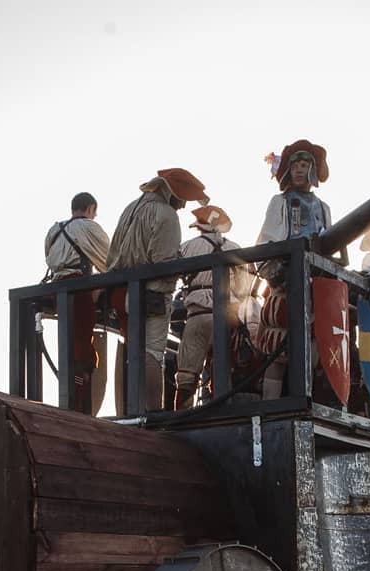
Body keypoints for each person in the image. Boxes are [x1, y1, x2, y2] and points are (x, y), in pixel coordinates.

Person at [107, 168, 208, 412]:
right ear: (172, 193)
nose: (183, 206)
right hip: (151, 294)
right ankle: (153, 415)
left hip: (121, 291)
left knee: (135, 352)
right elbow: (163, 262)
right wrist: (182, 264)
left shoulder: (130, 208)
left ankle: (134, 412)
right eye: (182, 198)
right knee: (152, 354)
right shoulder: (166, 214)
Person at [254, 140, 332, 400]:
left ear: (312, 170)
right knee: (277, 352)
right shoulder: (280, 202)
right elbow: (265, 243)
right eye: (295, 165)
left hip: (314, 289)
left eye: (304, 165)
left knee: (310, 351)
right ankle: (270, 405)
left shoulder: (323, 208)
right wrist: (276, 273)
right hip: (284, 287)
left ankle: (305, 402)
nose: (299, 170)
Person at [173, 205, 252, 410]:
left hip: (197, 315)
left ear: (200, 226)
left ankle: (182, 417)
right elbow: (244, 288)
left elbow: (171, 275)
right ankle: (221, 414)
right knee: (222, 370)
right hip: (227, 316)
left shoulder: (187, 247)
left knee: (187, 375)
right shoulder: (235, 248)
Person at [43, 192, 110, 414]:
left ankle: (73, 397)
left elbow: (49, 258)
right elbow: (111, 260)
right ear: (90, 208)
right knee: (82, 347)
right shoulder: (89, 227)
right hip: (78, 288)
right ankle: (80, 403)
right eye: (95, 212)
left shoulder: (54, 230)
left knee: (69, 343)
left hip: (56, 289)